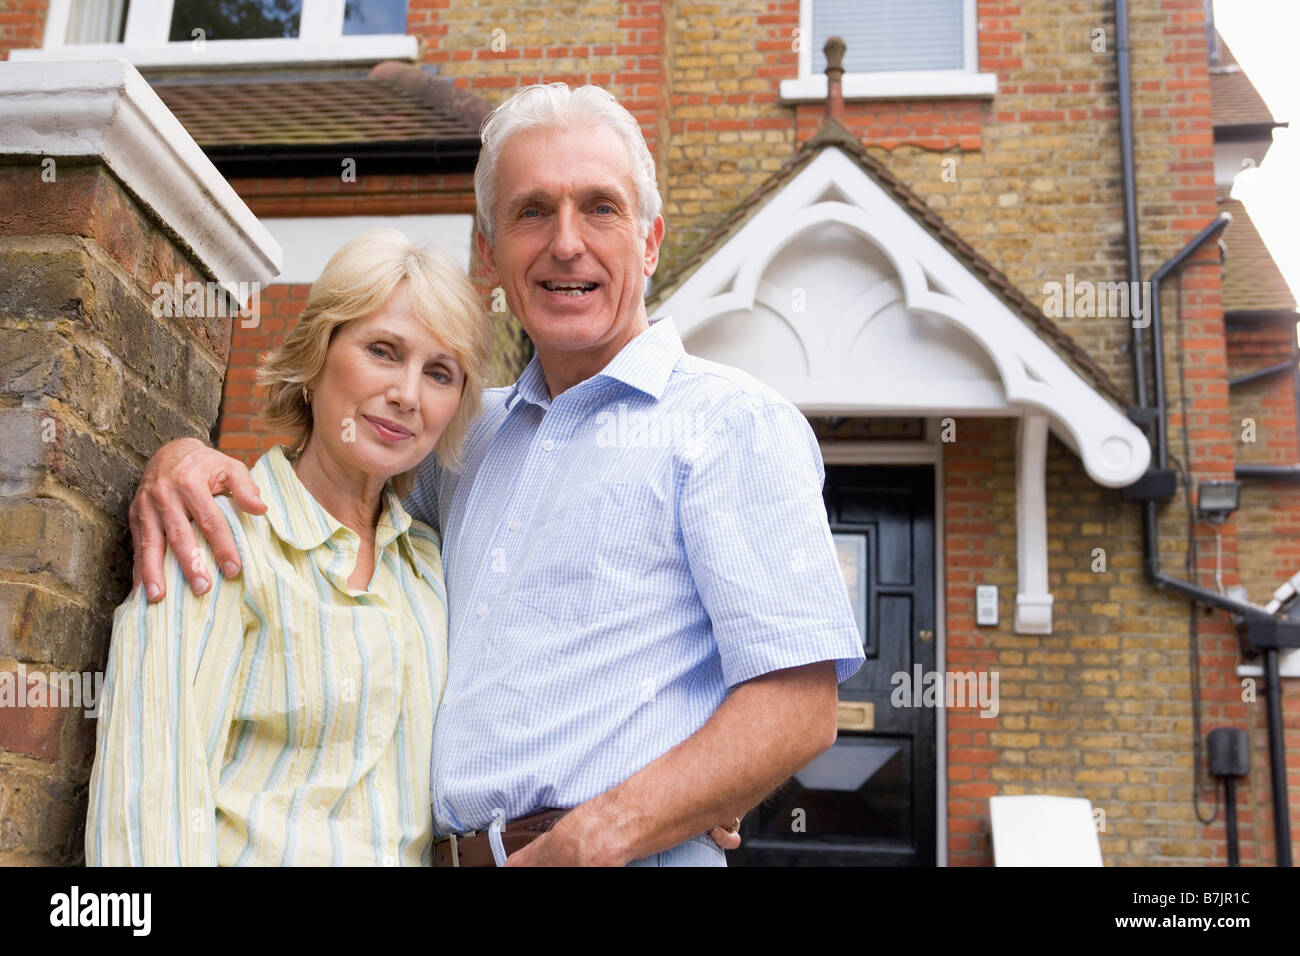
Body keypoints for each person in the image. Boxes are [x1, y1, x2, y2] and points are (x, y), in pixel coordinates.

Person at [129, 83, 866, 867]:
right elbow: (332, 503)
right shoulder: (463, 436)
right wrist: (182, 461)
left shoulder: (733, 425)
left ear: (650, 242)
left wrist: (604, 833)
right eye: (532, 211)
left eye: (600, 208)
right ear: (489, 252)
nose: (566, 243)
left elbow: (798, 707)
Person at [86, 229, 491, 865]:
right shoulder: (218, 534)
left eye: (439, 373)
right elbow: (146, 801)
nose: (408, 394)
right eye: (383, 351)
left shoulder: (429, 571)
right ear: (315, 359)